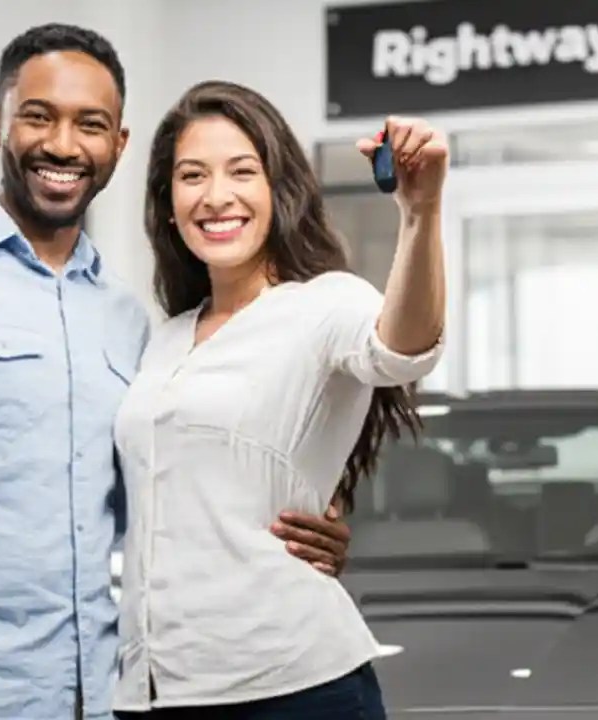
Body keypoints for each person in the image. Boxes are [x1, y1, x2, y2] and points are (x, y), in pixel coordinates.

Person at [0, 25, 350, 720]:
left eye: (90, 124)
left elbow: (160, 503)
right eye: (38, 116)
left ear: (119, 143)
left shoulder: (125, 317)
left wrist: (290, 523)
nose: (63, 144)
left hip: (83, 696)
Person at [111, 81, 447, 717]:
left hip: (291, 686)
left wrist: (420, 214)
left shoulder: (324, 304)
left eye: (242, 171)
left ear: (278, 190)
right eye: (192, 175)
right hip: (151, 689)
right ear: (168, 203)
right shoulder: (166, 339)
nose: (216, 195)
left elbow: (406, 346)